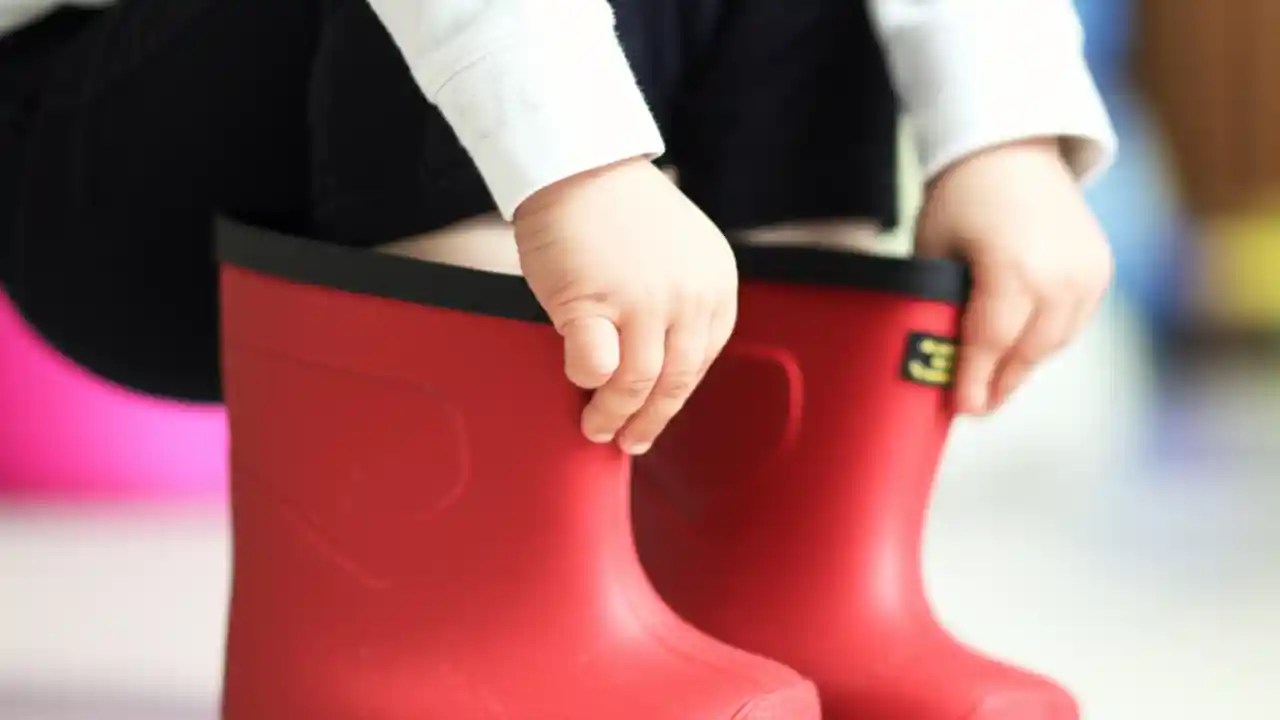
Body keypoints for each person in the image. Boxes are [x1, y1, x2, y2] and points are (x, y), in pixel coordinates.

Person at [1, 1, 1117, 718]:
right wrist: (574, 168)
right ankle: (464, 636)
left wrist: (1007, 138)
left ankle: (758, 606)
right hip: (108, 151)